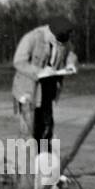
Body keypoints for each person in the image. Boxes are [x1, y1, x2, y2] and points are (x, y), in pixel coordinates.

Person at [12, 15, 77, 152]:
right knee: (29, 131)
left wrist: (71, 64)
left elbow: (70, 52)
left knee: (47, 129)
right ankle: (26, 170)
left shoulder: (63, 40)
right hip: (28, 90)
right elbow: (19, 62)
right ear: (52, 34)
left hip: (48, 89)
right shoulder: (32, 38)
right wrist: (40, 72)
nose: (63, 44)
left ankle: (44, 166)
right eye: (60, 40)